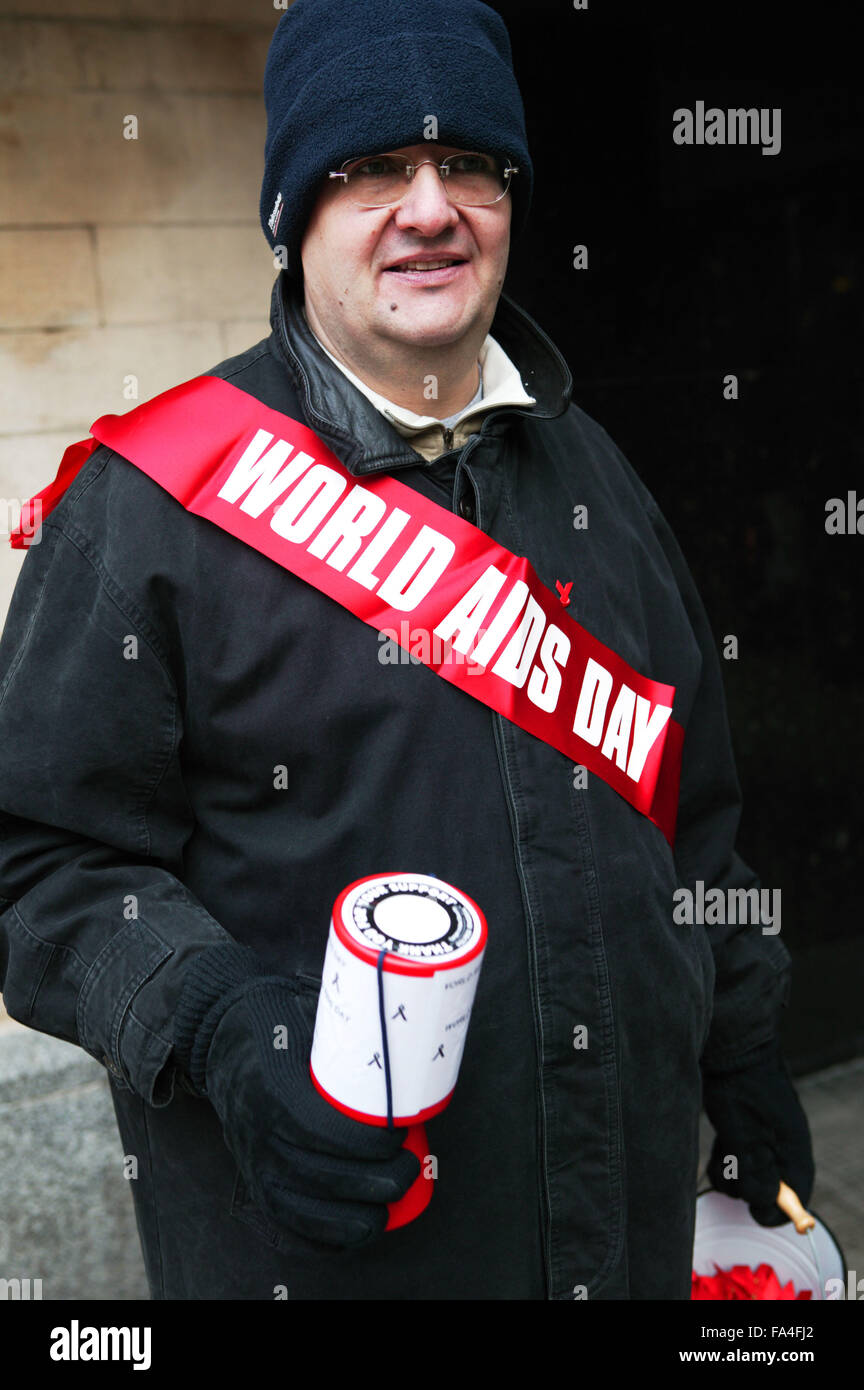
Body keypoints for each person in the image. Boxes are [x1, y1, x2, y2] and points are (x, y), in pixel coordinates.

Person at [0, 0, 813, 1301]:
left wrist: (743, 1049)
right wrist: (219, 1025)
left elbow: (695, 810)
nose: (430, 207)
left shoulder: (595, 469)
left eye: (470, 168)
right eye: (372, 168)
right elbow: (37, 858)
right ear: (293, 214)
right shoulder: (147, 503)